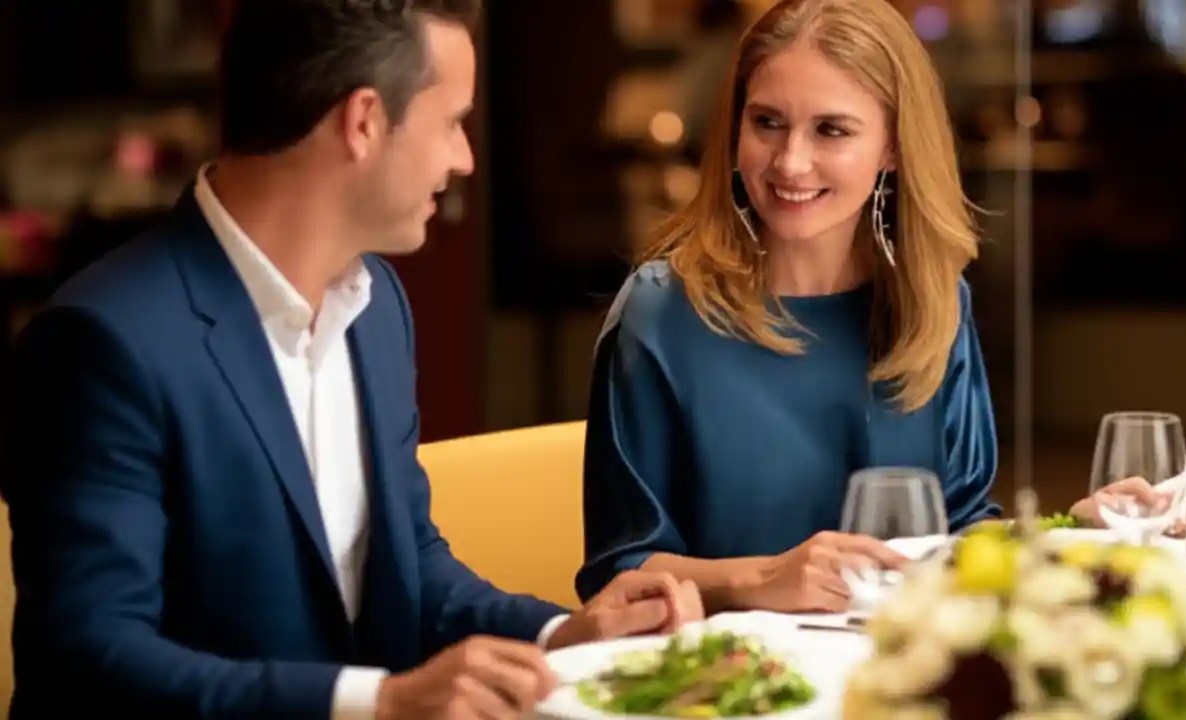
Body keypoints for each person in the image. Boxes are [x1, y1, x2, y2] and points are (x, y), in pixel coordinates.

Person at [0, 1, 703, 718]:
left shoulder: (376, 306)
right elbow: (92, 658)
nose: (464, 158)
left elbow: (407, 562)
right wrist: (379, 701)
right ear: (363, 121)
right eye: (452, 121)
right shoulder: (101, 342)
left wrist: (564, 633)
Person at [579, 0, 996, 613]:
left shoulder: (934, 300)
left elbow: (966, 526)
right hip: (731, 687)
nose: (790, 162)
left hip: (900, 671)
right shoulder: (662, 314)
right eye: (767, 122)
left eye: (832, 129)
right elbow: (621, 571)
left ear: (894, 148)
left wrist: (1078, 542)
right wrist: (764, 580)